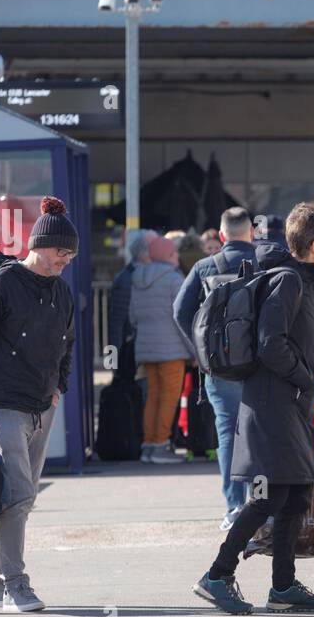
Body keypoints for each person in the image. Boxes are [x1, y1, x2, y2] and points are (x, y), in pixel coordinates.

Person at [194, 203, 314, 615]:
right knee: (269, 496)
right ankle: (217, 575)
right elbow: (269, 343)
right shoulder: (290, 282)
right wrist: (304, 378)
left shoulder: (302, 281)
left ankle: (283, 586)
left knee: (295, 495)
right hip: (274, 405)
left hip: (286, 404)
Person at [0, 196, 79, 613]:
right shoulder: (3, 284)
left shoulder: (62, 292)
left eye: (71, 255)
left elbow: (68, 343)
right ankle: (15, 585)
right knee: (20, 493)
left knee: (20, 498)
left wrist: (58, 385)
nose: (66, 260)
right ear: (38, 245)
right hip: (1, 401)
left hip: (42, 404)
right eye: (61, 252)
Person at [173, 207, 260, 529]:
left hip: (219, 366)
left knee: (228, 435)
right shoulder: (268, 262)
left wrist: (201, 351)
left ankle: (234, 507)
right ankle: (260, 504)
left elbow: (180, 312)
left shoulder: (204, 267)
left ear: (221, 236)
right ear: (251, 231)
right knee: (258, 433)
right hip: (260, 365)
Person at [130, 232, 194, 464]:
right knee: (168, 399)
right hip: (172, 351)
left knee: (153, 397)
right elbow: (182, 318)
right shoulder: (174, 279)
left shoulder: (137, 279)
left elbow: (133, 316)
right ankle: (160, 446)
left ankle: (149, 444)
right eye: (175, 252)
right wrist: (194, 352)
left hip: (146, 349)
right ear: (168, 254)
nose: (178, 256)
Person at [107, 229, 151, 375]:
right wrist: (111, 362)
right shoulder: (126, 280)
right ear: (144, 254)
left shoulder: (140, 276)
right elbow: (115, 324)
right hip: (130, 355)